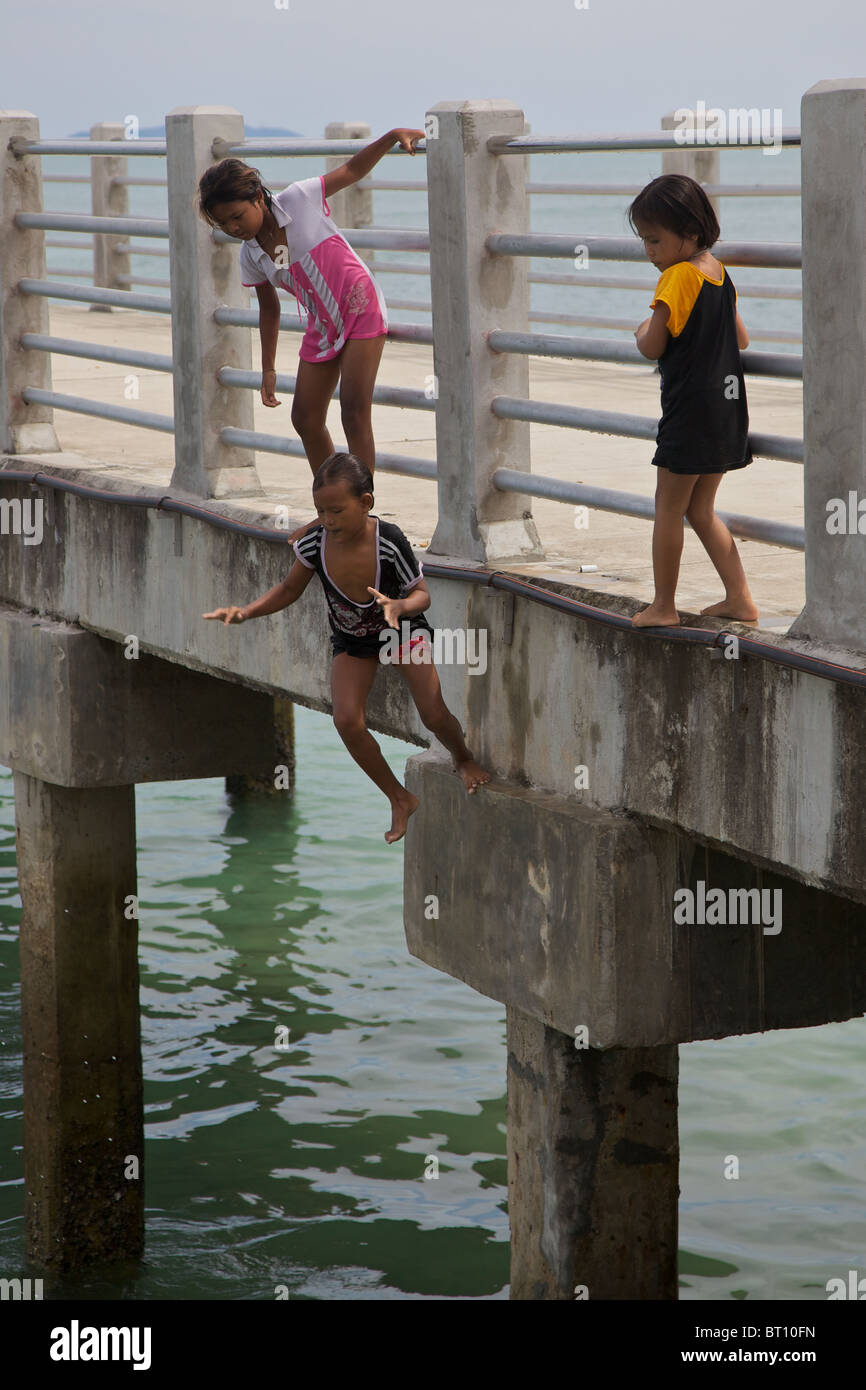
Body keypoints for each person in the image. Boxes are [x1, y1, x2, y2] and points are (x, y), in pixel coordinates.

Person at [203, 452, 490, 843]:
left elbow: (421, 595)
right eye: (320, 510)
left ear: (365, 502)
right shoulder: (315, 543)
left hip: (401, 632)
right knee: (346, 720)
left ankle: (463, 757)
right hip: (352, 639)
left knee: (433, 712)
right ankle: (400, 798)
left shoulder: (388, 541)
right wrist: (247, 612)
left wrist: (399, 606)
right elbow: (289, 589)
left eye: (336, 510)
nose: (327, 519)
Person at [196, 128, 423, 540]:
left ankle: (362, 508)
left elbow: (353, 169)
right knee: (304, 416)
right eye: (224, 224)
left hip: (359, 304)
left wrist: (391, 138)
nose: (235, 227)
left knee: (353, 408)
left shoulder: (300, 199)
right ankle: (330, 505)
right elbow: (269, 310)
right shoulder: (251, 255)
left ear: (258, 197)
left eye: (238, 216)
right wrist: (267, 369)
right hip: (322, 323)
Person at [627, 174, 758, 628]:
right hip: (726, 411)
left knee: (668, 506)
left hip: (689, 412)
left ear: (691, 233)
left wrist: (640, 329)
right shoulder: (719, 274)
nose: (650, 251)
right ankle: (740, 598)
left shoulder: (676, 278)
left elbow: (653, 345)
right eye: (645, 241)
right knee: (701, 509)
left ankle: (663, 605)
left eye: (655, 240)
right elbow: (740, 337)